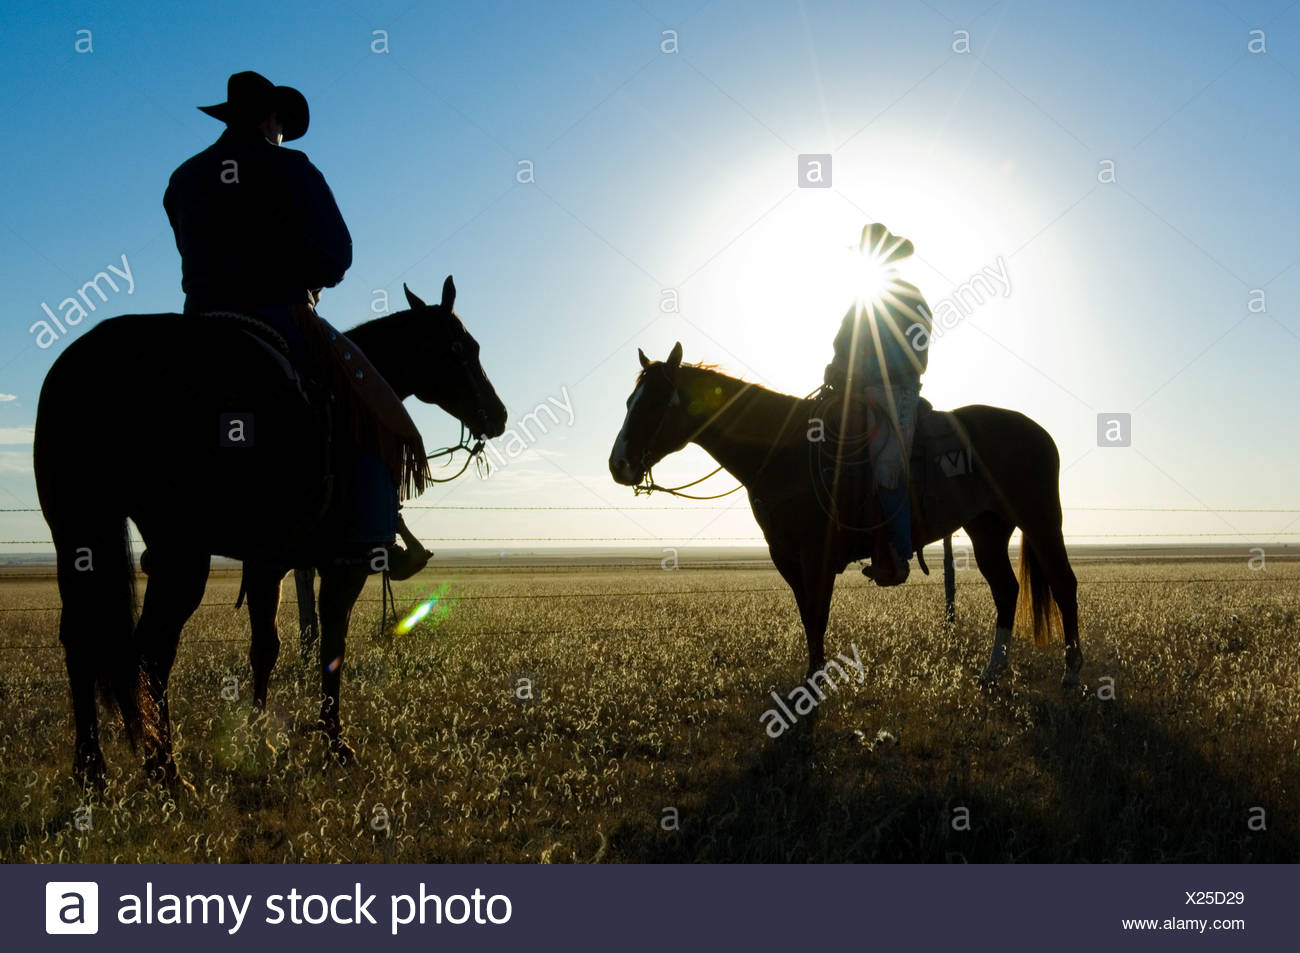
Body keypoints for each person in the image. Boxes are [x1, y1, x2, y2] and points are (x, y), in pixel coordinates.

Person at [164, 71, 429, 579]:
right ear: (271, 119)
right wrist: (301, 276)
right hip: (278, 315)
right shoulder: (291, 166)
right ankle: (376, 536)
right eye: (281, 124)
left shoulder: (184, 177)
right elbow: (337, 256)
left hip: (198, 320)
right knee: (365, 403)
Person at [823, 223, 932, 586]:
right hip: (862, 388)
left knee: (887, 465)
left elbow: (915, 352)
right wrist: (837, 369)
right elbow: (844, 342)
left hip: (894, 390)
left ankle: (899, 555)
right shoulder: (862, 298)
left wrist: (868, 372)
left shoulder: (910, 298)